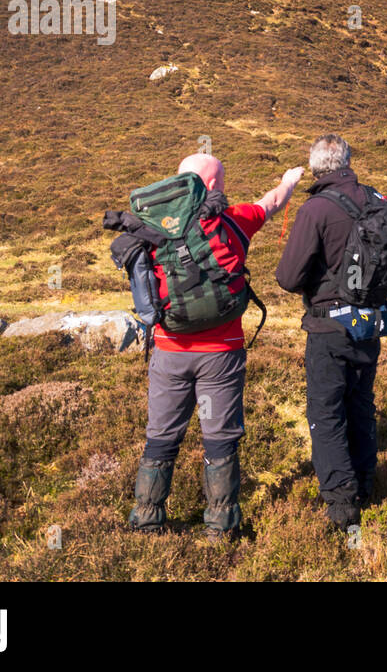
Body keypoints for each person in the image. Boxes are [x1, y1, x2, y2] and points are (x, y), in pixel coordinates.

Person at [127, 153, 303, 538]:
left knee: (161, 436)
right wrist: (290, 180)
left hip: (169, 350)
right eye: (221, 182)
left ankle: (146, 521)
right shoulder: (233, 221)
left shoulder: (149, 227)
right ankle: (221, 529)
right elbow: (271, 203)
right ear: (210, 185)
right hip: (221, 353)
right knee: (220, 438)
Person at [276, 134, 387, 530]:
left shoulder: (315, 210)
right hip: (370, 323)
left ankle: (343, 508)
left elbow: (288, 277)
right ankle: (365, 484)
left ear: (314, 168)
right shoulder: (375, 200)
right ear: (347, 161)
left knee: (326, 413)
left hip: (329, 327)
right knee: (360, 403)